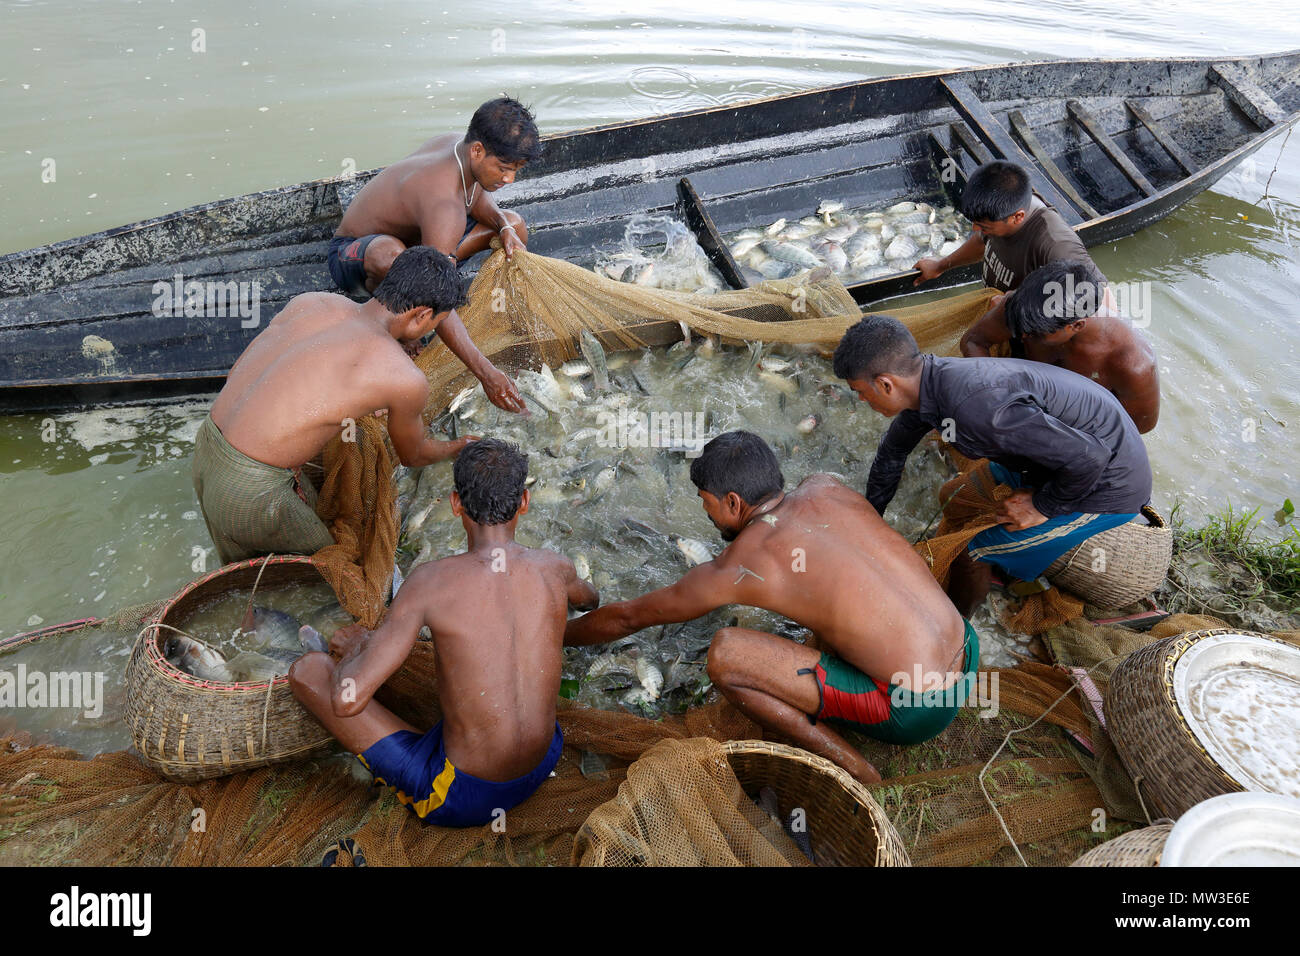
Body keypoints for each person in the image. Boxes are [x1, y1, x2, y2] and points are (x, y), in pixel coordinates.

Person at [564, 431, 980, 787]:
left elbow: (629, 616)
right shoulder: (826, 486)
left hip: (917, 707)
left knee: (726, 654)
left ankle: (856, 770)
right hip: (966, 649)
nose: (704, 512)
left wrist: (559, 635)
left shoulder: (742, 562)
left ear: (731, 501)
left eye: (704, 501)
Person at [289, 438, 599, 827]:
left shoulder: (430, 583)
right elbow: (590, 600)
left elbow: (346, 702)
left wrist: (358, 647)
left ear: (455, 505)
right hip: (544, 759)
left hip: (465, 796)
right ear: (524, 502)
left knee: (309, 671)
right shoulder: (555, 567)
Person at [193, 247, 523, 565]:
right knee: (327, 573)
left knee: (245, 573)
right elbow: (414, 454)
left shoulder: (313, 302)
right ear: (421, 315)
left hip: (208, 446)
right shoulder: (402, 378)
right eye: (434, 323)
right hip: (249, 487)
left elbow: (263, 375)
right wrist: (458, 446)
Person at [835, 315, 1153, 617]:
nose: (862, 401)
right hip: (1055, 458)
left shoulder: (977, 409)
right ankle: (1011, 558)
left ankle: (959, 619)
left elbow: (1091, 458)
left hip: (1108, 484)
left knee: (971, 551)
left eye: (860, 392)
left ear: (886, 384)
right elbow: (890, 456)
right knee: (953, 495)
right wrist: (869, 524)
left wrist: (1042, 505)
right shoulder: (929, 386)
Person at [328, 96, 540, 297]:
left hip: (421, 239)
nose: (509, 179)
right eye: (503, 168)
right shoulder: (443, 202)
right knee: (392, 257)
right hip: (351, 253)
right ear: (477, 151)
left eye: (516, 169)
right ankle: (398, 322)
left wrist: (504, 227)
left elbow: (475, 196)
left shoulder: (462, 146)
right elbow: (435, 289)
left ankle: (445, 264)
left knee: (515, 226)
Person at [962, 259, 1160, 433]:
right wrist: (995, 397)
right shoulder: (1022, 307)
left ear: (1076, 325)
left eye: (1034, 333)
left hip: (1070, 428)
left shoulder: (1132, 364)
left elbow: (1135, 429)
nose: (1022, 335)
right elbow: (974, 341)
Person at [911, 160, 1099, 335]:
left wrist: (1014, 306)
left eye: (983, 226)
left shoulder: (1056, 243)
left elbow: (1097, 299)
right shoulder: (1001, 211)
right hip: (1001, 317)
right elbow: (980, 241)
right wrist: (940, 266)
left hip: (1028, 333)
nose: (976, 229)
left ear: (1018, 217)